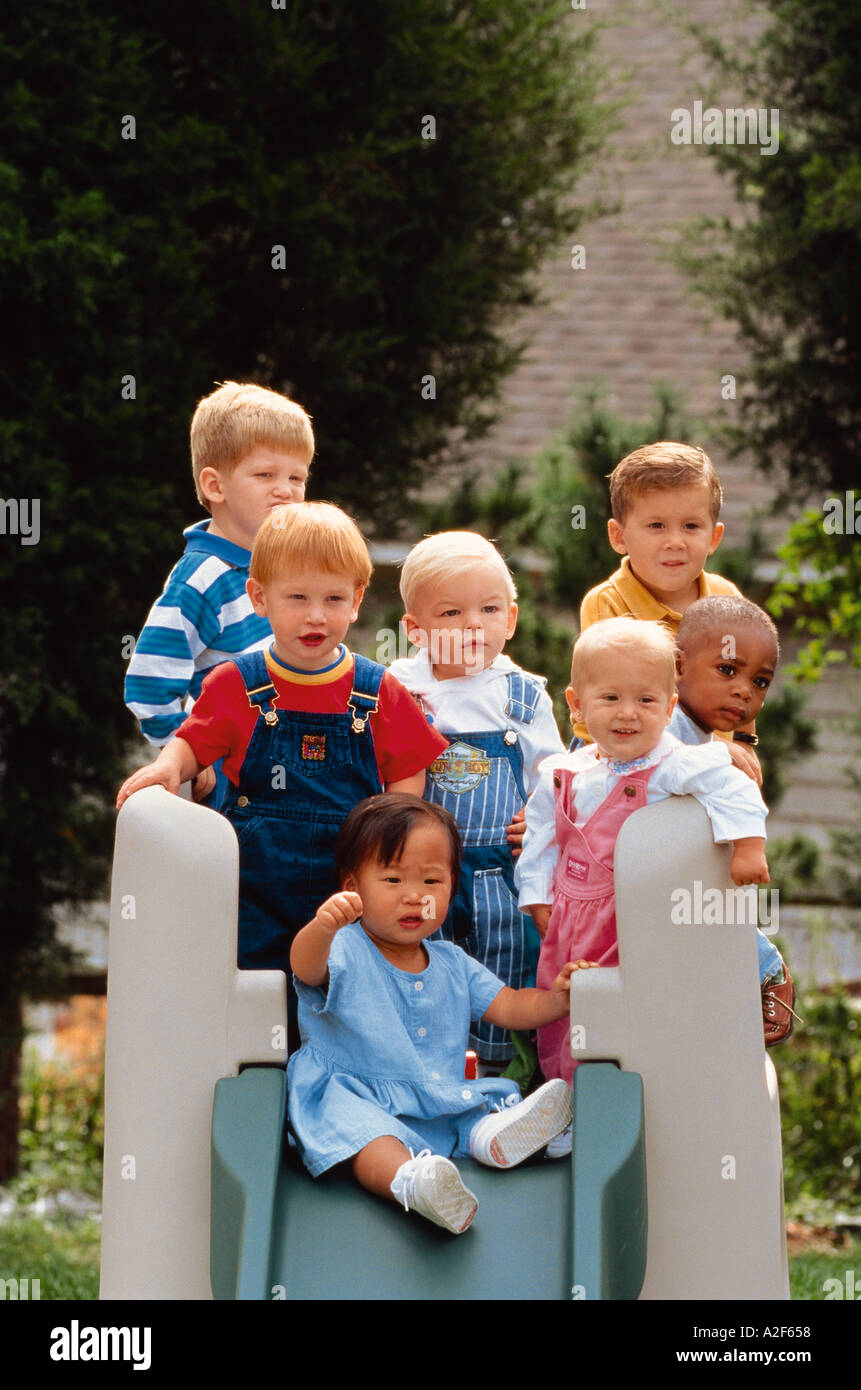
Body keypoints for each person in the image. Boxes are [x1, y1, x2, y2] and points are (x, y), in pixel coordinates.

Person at [117, 503, 448, 1051]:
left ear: (357, 600)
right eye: (297, 598)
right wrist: (167, 768)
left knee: (346, 1003)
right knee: (258, 1002)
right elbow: (194, 742)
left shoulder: (375, 689)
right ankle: (259, 1100)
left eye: (333, 599)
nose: (315, 617)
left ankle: (338, 1104)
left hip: (349, 883)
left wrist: (393, 840)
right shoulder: (235, 682)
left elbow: (410, 770)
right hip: (257, 885)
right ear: (259, 597)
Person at [288, 794, 581, 1235]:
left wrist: (557, 1001)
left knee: (473, 1111)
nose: (413, 896)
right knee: (369, 1138)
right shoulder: (345, 945)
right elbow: (304, 967)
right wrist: (324, 926)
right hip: (354, 1093)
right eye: (392, 880)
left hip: (435, 1099)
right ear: (353, 888)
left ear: (450, 887)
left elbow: (509, 1006)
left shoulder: (451, 961)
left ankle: (494, 1139)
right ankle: (412, 1183)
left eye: (431, 881)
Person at [516, 617, 781, 1098]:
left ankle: (628, 1104)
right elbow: (541, 839)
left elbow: (732, 788)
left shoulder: (672, 764)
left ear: (669, 705)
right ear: (576, 704)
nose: (628, 714)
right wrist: (536, 895)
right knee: (570, 1007)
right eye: (611, 698)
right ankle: (564, 1101)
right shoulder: (564, 772)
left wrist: (748, 846)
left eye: (646, 700)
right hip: (571, 924)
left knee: (637, 1013)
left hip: (637, 923)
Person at [388, 531, 567, 1075]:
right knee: (422, 965)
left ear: (510, 619)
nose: (473, 625)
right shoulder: (397, 688)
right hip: (423, 870)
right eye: (451, 612)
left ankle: (502, 1079)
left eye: (489, 609)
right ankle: (428, 1075)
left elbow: (557, 773)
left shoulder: (522, 695)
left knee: (501, 962)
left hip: (499, 871)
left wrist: (539, 819)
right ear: (415, 631)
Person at [123, 380, 315, 806]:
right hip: (237, 785)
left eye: (296, 477)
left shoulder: (282, 568)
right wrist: (190, 752)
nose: (285, 489)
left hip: (290, 768)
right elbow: (149, 680)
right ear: (215, 486)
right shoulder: (203, 576)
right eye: (265, 475)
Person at [671, 595, 796, 1042]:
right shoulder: (656, 717)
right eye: (727, 670)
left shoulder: (717, 748)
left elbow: (743, 800)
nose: (745, 689)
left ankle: (761, 967)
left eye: (760, 681)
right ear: (677, 666)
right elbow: (640, 757)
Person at [574, 441, 746, 747]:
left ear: (714, 537)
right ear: (618, 536)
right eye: (657, 526)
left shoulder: (726, 599)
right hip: (616, 752)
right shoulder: (607, 603)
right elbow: (617, 700)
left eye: (691, 526)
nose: (675, 542)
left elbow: (740, 681)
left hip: (714, 755)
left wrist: (743, 740)